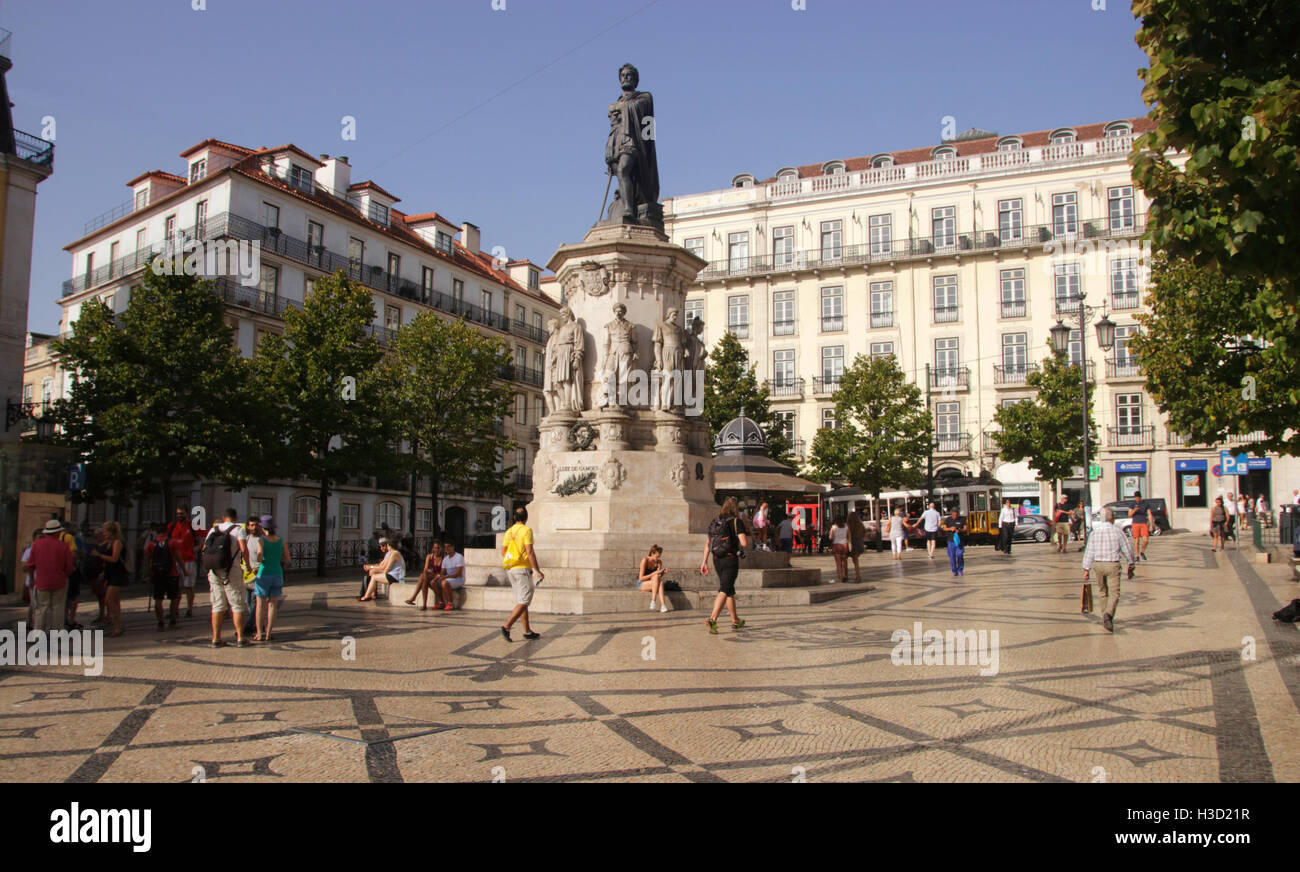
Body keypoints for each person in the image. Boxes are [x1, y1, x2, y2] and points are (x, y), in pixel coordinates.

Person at [1082, 507, 1136, 633]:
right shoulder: (1117, 532)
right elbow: (1127, 549)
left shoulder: (1095, 533)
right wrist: (1131, 562)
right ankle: (1108, 614)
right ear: (1112, 518)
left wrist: (1086, 569)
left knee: (1102, 591)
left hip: (1098, 565)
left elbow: (1089, 551)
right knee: (1114, 593)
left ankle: (1104, 615)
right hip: (1112, 564)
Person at [700, 497, 748, 634]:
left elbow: (708, 543)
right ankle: (712, 619)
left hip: (716, 559)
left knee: (729, 589)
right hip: (730, 559)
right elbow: (744, 543)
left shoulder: (715, 522)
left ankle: (735, 620)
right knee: (725, 588)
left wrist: (704, 562)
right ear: (735, 508)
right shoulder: (735, 521)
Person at [203, 508, 250, 648]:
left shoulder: (213, 530)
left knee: (217, 605)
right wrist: (247, 564)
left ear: (223, 518)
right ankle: (240, 638)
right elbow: (243, 548)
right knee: (237, 605)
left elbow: (204, 549)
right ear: (235, 518)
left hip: (214, 571)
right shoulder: (238, 530)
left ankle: (216, 638)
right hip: (232, 570)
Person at [25, 519, 76, 633]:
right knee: (58, 607)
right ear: (58, 532)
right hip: (60, 581)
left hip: (42, 581)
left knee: (41, 609)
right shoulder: (63, 546)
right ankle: (56, 633)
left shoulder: (37, 545)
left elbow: (30, 565)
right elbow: (69, 567)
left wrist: (32, 580)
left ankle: (38, 633)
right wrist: (64, 575)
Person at [500, 508, 543, 641]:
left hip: (511, 569)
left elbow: (503, 551)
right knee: (524, 601)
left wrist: (514, 558)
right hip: (523, 569)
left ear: (514, 517)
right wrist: (537, 570)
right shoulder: (526, 530)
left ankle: (527, 631)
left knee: (521, 601)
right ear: (526, 518)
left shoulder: (509, 531)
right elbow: (530, 551)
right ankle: (507, 626)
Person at [253, 516, 289, 642]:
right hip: (277, 574)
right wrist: (277, 558)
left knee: (260, 607)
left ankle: (259, 633)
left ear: (263, 528)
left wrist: (260, 557)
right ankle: (269, 633)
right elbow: (288, 559)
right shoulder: (281, 540)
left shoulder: (261, 540)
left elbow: (259, 556)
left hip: (263, 575)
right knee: (272, 606)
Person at [144, 522, 183, 630]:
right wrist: (184, 570)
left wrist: (148, 571)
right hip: (171, 573)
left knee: (158, 599)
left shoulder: (151, 544)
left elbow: (146, 558)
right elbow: (179, 558)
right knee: (174, 597)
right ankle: (173, 620)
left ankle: (160, 622)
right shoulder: (172, 542)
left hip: (157, 573)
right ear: (167, 532)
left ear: (157, 532)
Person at [94, 522, 129, 637]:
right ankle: (118, 625)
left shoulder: (117, 542)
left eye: (105, 531)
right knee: (114, 601)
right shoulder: (108, 543)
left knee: (109, 600)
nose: (104, 534)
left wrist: (99, 555)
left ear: (111, 532)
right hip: (110, 573)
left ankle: (118, 626)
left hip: (117, 573)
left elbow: (114, 559)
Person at [168, 506, 199, 619]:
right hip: (175, 560)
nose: (179, 516)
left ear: (186, 513)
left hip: (189, 560)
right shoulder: (171, 526)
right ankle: (175, 609)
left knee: (189, 586)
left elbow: (204, 537)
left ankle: (189, 609)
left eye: (181, 513)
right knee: (176, 586)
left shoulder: (193, 525)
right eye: (178, 514)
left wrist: (197, 548)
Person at [407, 540, 445, 610]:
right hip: (432, 575)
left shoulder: (444, 557)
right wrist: (426, 573)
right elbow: (425, 569)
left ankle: (415, 598)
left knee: (423, 577)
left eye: (438, 548)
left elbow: (443, 572)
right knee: (424, 578)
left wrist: (428, 574)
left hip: (440, 576)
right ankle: (422, 603)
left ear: (442, 548)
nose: (437, 550)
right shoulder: (429, 556)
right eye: (435, 548)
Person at [639, 544, 671, 612]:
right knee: (659, 581)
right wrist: (653, 574)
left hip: (654, 583)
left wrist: (663, 573)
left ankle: (661, 605)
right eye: (656, 556)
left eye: (659, 556)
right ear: (652, 553)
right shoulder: (645, 560)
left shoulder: (659, 562)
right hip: (642, 583)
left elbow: (658, 577)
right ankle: (654, 601)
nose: (658, 558)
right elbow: (641, 578)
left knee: (660, 582)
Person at [436, 539, 466, 611]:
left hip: (459, 579)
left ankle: (450, 604)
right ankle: (441, 602)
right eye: (445, 547)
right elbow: (442, 572)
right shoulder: (445, 559)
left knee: (445, 582)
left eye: (448, 546)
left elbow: (458, 574)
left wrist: (445, 577)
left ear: (453, 547)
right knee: (433, 582)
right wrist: (438, 577)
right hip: (450, 578)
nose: (447, 548)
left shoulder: (459, 557)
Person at [940, 508, 966, 577]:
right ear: (951, 514)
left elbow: (965, 528)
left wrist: (960, 530)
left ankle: (960, 569)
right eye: (953, 515)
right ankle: (954, 571)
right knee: (952, 556)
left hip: (960, 540)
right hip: (951, 540)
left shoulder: (962, 519)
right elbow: (944, 528)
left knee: (960, 555)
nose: (955, 516)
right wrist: (950, 529)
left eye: (956, 515)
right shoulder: (948, 519)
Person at [1127, 491, 1152, 562]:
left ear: (1140, 497)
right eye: (1136, 498)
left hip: (1143, 523)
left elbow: (1149, 514)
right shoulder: (1132, 504)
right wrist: (1134, 510)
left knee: (1146, 540)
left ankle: (1142, 552)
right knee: (1136, 540)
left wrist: (1151, 525)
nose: (1137, 499)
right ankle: (1137, 555)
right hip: (1135, 523)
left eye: (1138, 498)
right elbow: (1129, 515)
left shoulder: (1146, 504)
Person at [847, 511, 866, 582]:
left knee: (846, 560)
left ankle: (846, 575)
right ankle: (858, 576)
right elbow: (864, 533)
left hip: (851, 544)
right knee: (856, 561)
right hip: (859, 543)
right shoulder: (860, 525)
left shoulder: (848, 525)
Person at [829, 515, 849, 582]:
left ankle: (841, 577)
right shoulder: (846, 526)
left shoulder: (833, 527)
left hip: (837, 545)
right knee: (844, 562)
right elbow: (848, 536)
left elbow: (831, 537)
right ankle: (845, 575)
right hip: (844, 545)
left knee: (838, 563)